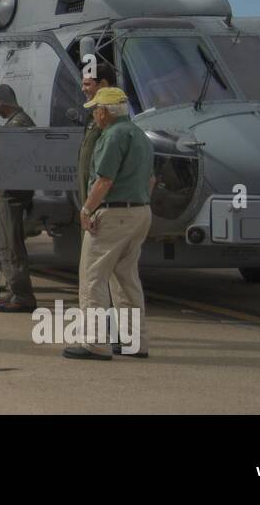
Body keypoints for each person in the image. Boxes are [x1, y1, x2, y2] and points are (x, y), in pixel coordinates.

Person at [66, 86, 155, 361]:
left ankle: (94, 343)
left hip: (113, 213)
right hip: (140, 211)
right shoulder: (140, 135)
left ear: (105, 112)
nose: (93, 114)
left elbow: (105, 180)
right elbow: (151, 179)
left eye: (96, 109)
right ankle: (134, 341)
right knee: (127, 279)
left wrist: (87, 209)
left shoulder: (113, 136)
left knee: (93, 277)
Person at [0, 85, 39, 314]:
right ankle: (14, 289)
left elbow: (12, 159)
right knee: (6, 242)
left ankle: (22, 295)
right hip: (9, 191)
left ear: (1, 102)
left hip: (12, 193)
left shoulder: (18, 124)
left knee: (11, 244)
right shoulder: (18, 122)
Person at [78, 62, 118, 203]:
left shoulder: (111, 119)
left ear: (103, 85)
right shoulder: (94, 117)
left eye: (87, 84)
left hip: (104, 205)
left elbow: (106, 174)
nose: (83, 89)